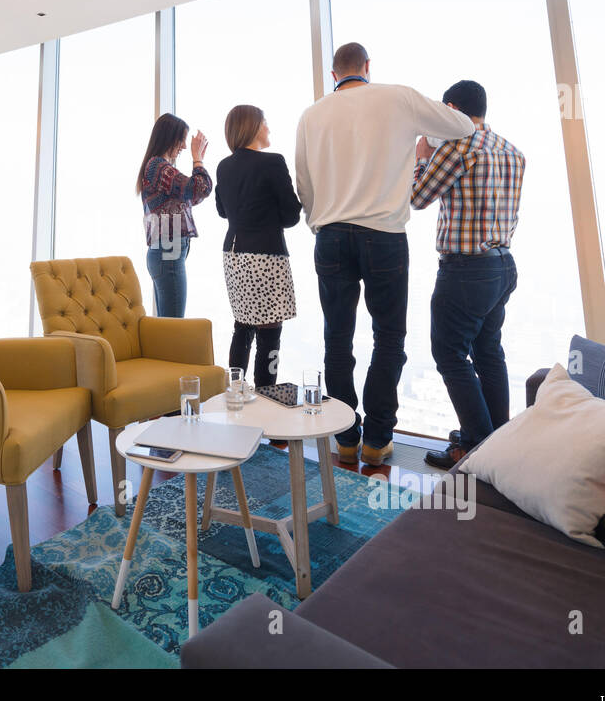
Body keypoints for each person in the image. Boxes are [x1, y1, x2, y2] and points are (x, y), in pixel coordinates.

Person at [295, 43, 475, 467]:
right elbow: (463, 126)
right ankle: (377, 439)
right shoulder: (399, 97)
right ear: (367, 67)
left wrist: (318, 221)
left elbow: (302, 180)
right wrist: (423, 144)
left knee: (336, 338)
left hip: (332, 236)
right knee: (389, 337)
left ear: (333, 72)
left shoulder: (312, 114)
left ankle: (345, 439)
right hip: (384, 236)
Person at [411, 80, 526, 469]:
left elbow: (417, 196)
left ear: (452, 109)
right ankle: (498, 444)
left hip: (466, 269)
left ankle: (476, 448)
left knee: (449, 353)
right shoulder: (512, 151)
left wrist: (421, 157)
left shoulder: (459, 147)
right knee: (489, 353)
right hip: (502, 265)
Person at [214, 104, 301, 387]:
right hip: (265, 256)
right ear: (252, 126)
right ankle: (267, 397)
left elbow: (222, 211)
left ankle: (235, 393)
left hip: (234, 254)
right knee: (270, 332)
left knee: (242, 326)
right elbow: (291, 215)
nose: (268, 127)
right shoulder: (272, 162)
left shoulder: (223, 166)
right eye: (265, 122)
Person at [136, 112, 211, 317]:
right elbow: (200, 188)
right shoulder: (158, 166)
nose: (184, 146)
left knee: (167, 326)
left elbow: (193, 196)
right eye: (182, 140)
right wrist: (198, 159)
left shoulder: (159, 168)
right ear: (169, 138)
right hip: (168, 251)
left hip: (167, 250)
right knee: (173, 327)